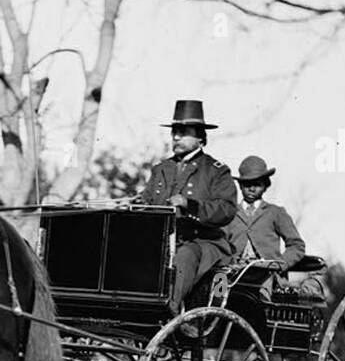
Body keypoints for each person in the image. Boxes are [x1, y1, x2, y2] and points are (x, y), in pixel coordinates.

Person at [136, 99, 237, 313]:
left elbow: (227, 209)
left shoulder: (216, 171)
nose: (176, 137)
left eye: (184, 132)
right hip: (165, 242)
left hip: (204, 243)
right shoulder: (161, 169)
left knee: (186, 255)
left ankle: (169, 310)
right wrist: (139, 204)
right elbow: (146, 200)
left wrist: (189, 205)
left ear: (201, 137)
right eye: (174, 132)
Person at [227, 155, 328, 300]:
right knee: (216, 292)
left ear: (265, 185)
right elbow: (220, 243)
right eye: (247, 184)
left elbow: (296, 245)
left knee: (259, 302)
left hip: (266, 273)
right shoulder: (229, 213)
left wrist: (279, 264)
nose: (252, 188)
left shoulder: (275, 213)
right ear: (240, 186)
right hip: (233, 272)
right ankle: (210, 317)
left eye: (257, 184)